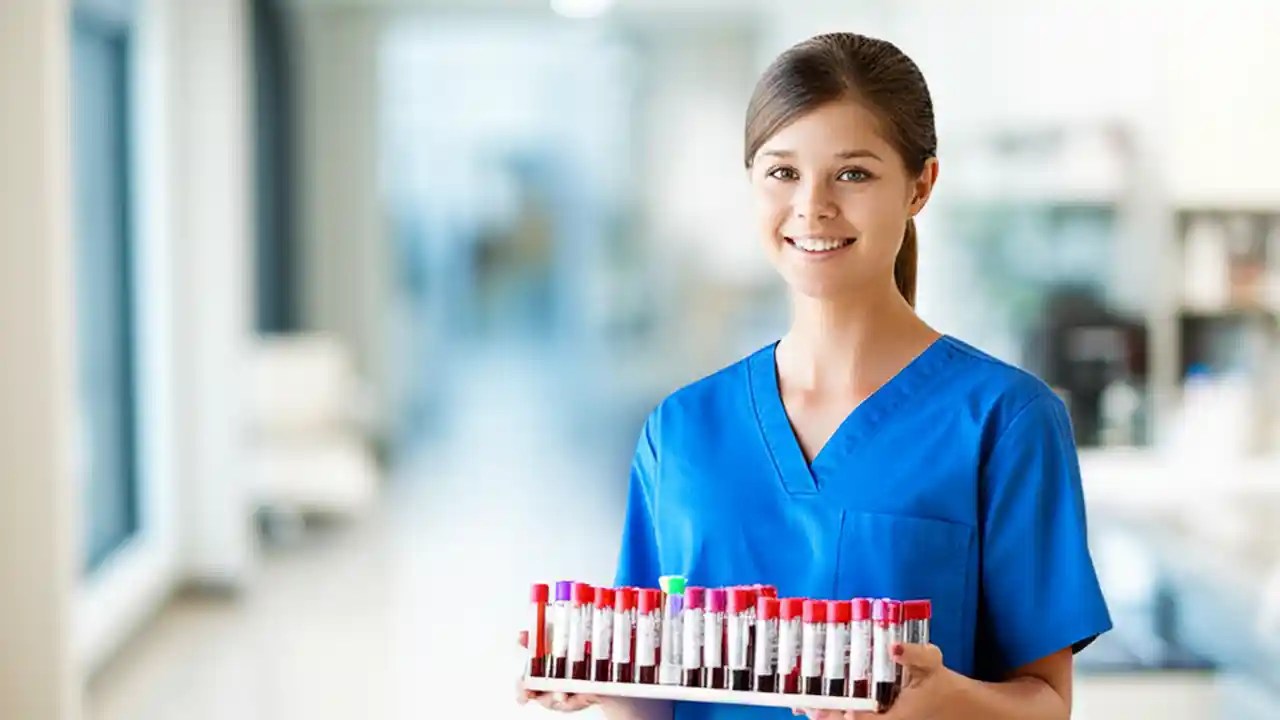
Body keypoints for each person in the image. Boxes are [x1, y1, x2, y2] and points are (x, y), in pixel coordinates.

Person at [517, 31, 1111, 720]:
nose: (813, 206)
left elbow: (1046, 703)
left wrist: (939, 700)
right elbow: (663, 701)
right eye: (782, 172)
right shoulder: (680, 430)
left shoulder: (1004, 421)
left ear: (921, 185)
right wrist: (607, 681)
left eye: (853, 173)